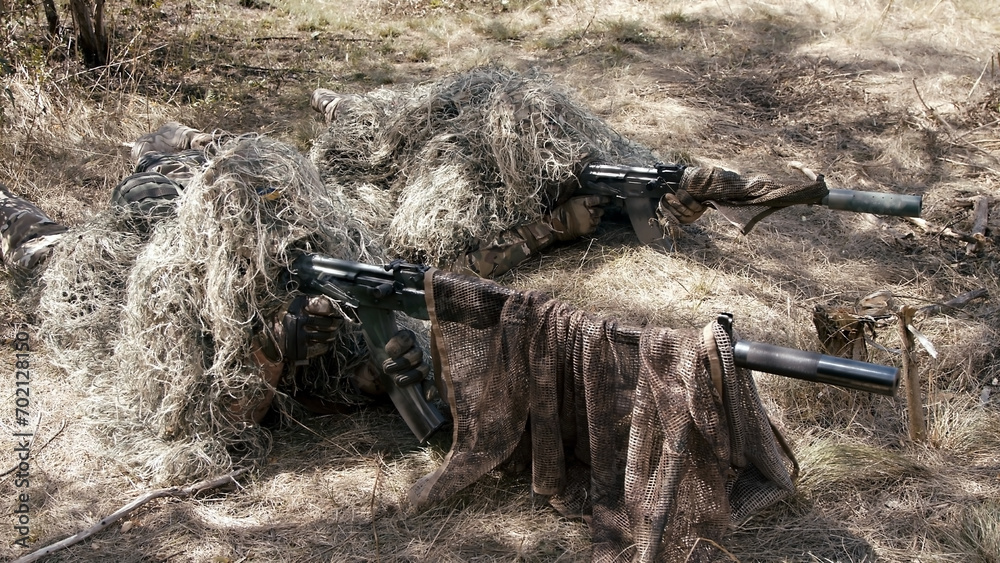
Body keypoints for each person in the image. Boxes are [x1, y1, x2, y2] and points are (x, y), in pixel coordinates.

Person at [1, 125, 430, 484]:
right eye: (262, 238)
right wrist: (270, 350)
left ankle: (169, 144)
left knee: (183, 169)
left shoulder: (328, 248)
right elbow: (197, 428)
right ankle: (148, 153)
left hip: (191, 214)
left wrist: (373, 375)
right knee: (50, 238)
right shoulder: (170, 286)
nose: (283, 243)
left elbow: (330, 381)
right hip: (122, 269)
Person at [307, 65, 825, 278]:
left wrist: (673, 210)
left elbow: (639, 209)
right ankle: (334, 105)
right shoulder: (458, 181)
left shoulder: (577, 147)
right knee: (368, 119)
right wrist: (551, 229)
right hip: (401, 140)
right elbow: (452, 269)